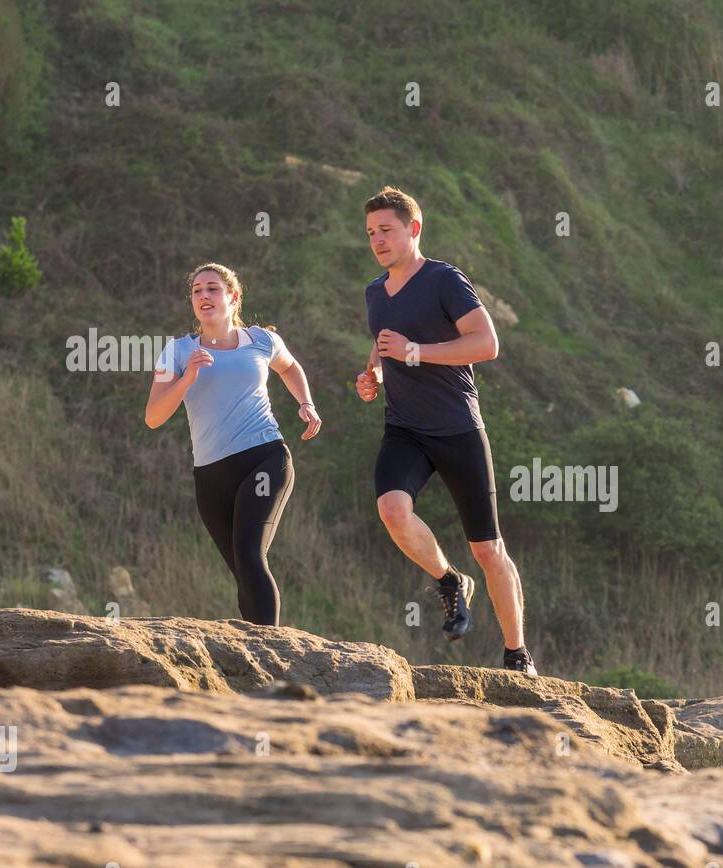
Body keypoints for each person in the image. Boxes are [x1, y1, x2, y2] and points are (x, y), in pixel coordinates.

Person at [357, 186, 537, 676]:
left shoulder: (444, 280)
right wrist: (372, 375)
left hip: (457, 426)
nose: (378, 240)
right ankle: (448, 579)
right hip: (405, 428)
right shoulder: (376, 291)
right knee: (393, 510)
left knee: (487, 548)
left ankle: (517, 653)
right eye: (371, 233)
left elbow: (486, 343)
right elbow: (382, 345)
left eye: (386, 230)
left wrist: (417, 352)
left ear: (414, 229)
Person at [145, 262, 320, 626]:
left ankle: (271, 648)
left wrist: (305, 402)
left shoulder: (262, 340)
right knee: (242, 569)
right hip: (210, 475)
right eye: (196, 291)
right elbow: (154, 416)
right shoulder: (176, 352)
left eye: (212, 288)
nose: (203, 296)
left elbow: (289, 367)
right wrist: (187, 378)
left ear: (233, 297)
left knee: (250, 554)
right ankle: (259, 662)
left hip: (264, 459)